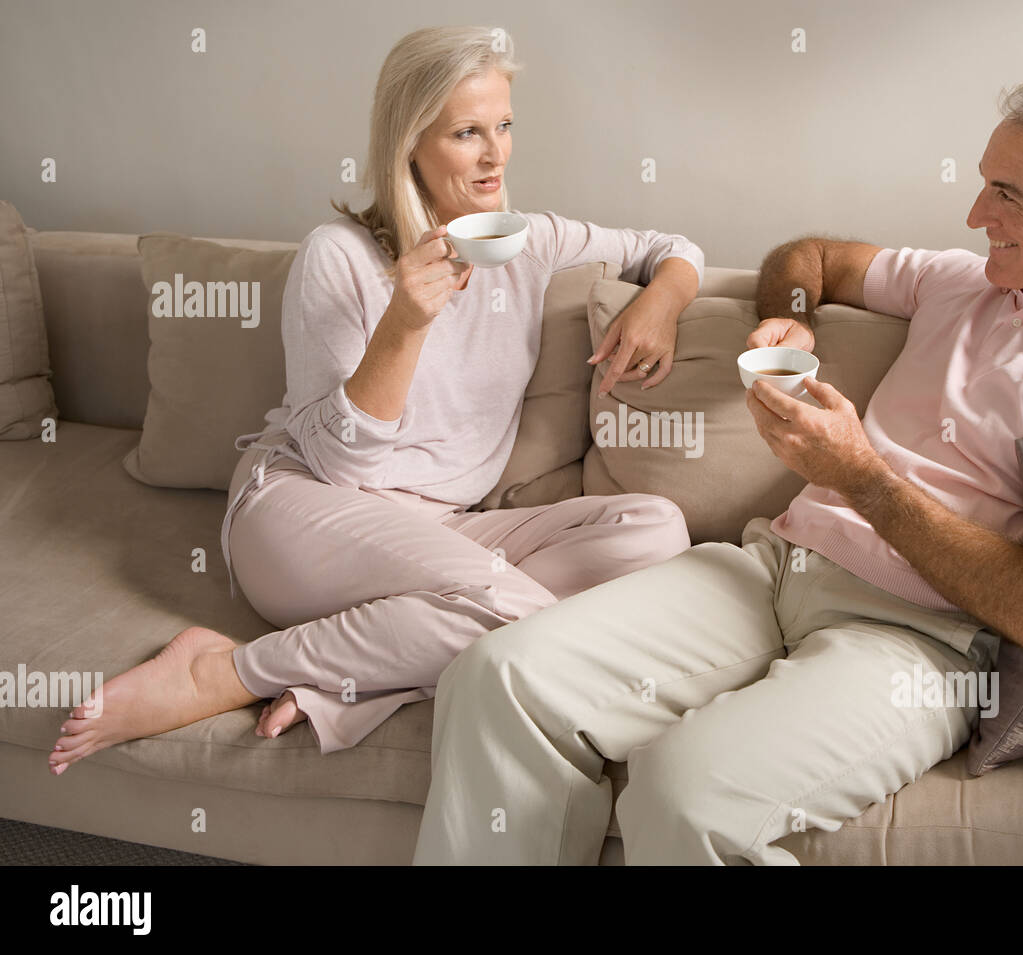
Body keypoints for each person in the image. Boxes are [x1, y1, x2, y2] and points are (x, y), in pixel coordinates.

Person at [411, 65, 1023, 864]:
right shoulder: (962, 284)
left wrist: (860, 475)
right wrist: (788, 318)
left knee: (681, 792)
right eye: (984, 184)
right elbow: (812, 255)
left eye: (1008, 193)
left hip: (920, 641)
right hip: (773, 569)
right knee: (496, 680)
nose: (976, 212)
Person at [47, 25, 702, 771]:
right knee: (515, 608)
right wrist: (405, 324)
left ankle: (356, 683)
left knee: (657, 531)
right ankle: (224, 672)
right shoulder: (339, 257)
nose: (496, 155)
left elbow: (673, 248)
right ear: (410, 143)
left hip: (444, 530)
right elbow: (338, 460)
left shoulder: (529, 243)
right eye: (467, 133)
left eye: (504, 126)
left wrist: (661, 303)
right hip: (301, 506)